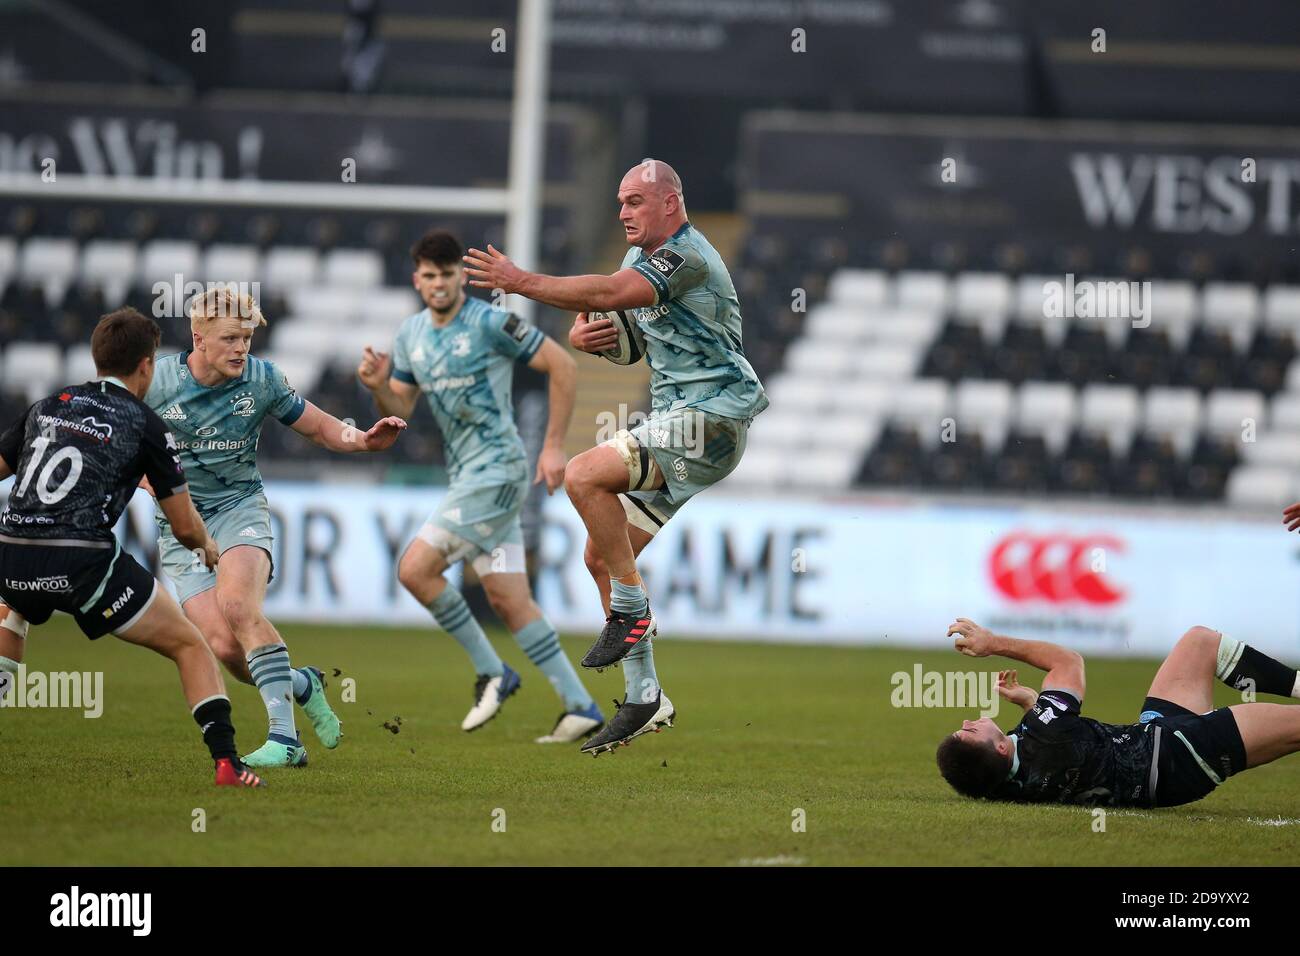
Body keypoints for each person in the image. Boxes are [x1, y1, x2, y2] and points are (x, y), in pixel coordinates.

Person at [462, 159, 768, 754]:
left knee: (582, 473)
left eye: (633, 201)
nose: (622, 212)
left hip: (714, 417)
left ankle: (630, 614)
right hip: (677, 419)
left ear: (670, 204)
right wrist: (591, 339)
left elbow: (607, 292)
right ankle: (646, 694)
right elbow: (631, 338)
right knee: (602, 558)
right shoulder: (640, 262)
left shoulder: (688, 255)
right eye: (619, 203)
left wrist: (522, 281)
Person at [358, 229, 603, 743]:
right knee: (510, 600)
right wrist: (380, 387)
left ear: (459, 278)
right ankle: (580, 705)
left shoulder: (491, 322)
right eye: (429, 275)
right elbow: (401, 408)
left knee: (415, 570)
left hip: (498, 472)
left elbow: (562, 363)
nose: (439, 284)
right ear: (417, 279)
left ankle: (492, 671)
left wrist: (554, 446)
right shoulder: (410, 336)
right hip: (470, 476)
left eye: (447, 274)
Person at [0, 309, 264, 786]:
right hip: (83, 559)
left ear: (96, 358)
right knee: (190, 645)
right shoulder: (146, 424)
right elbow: (183, 527)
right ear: (147, 365)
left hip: (12, 548)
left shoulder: (48, 404)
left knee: (12, 608)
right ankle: (227, 763)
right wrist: (206, 547)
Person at [145, 287, 406, 768]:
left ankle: (286, 741)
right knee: (224, 648)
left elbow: (320, 427)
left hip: (239, 509)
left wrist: (365, 440)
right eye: (230, 339)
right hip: (181, 526)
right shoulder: (157, 381)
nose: (241, 348)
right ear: (198, 338)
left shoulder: (262, 379)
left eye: (246, 337)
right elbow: (124, 444)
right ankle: (303, 682)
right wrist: (148, 480)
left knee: (238, 608)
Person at [937, 617, 1300, 807]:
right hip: (1180, 754)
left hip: (1155, 739)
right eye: (969, 731)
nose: (968, 721)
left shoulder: (999, 783)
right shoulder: (1046, 734)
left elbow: (1051, 755)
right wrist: (992, 643)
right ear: (1000, 748)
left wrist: (1033, 703)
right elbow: (1067, 662)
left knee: (1200, 642)